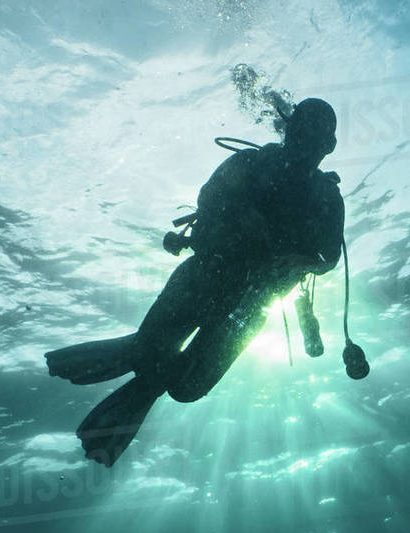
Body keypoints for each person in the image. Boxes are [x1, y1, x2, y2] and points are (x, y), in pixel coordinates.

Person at [46, 98, 346, 466]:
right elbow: (208, 195)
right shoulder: (251, 162)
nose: (305, 143)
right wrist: (241, 214)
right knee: (154, 353)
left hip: (253, 304)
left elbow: (329, 258)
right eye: (301, 131)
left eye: (314, 136)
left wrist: (298, 261)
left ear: (328, 146)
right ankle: (142, 352)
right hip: (206, 273)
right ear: (288, 130)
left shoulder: (328, 197)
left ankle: (142, 357)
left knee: (187, 390)